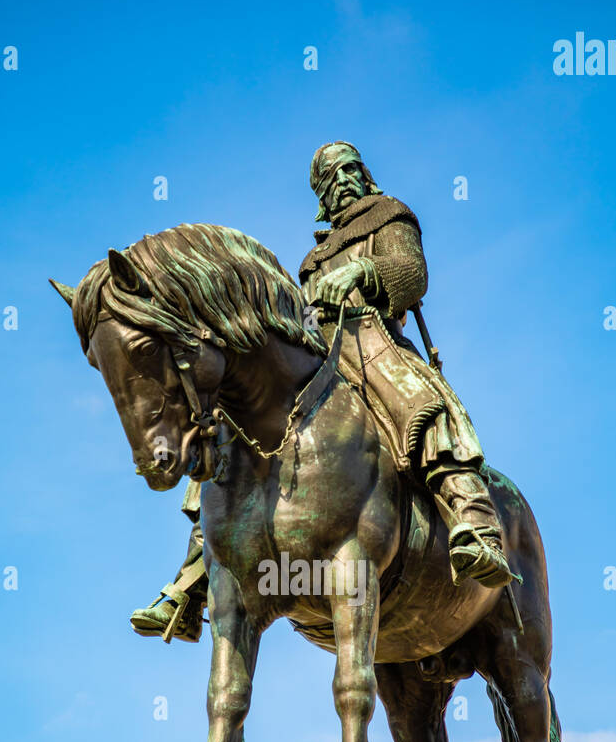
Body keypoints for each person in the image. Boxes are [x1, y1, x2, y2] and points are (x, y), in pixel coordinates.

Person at [129, 141, 514, 640]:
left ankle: (474, 518)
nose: (345, 179)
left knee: (418, 399)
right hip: (317, 349)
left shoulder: (388, 215)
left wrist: (363, 272)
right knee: (228, 425)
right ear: (322, 195)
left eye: (352, 169)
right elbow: (302, 316)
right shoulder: (312, 260)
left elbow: (411, 274)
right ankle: (195, 577)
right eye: (333, 177)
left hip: (372, 337)